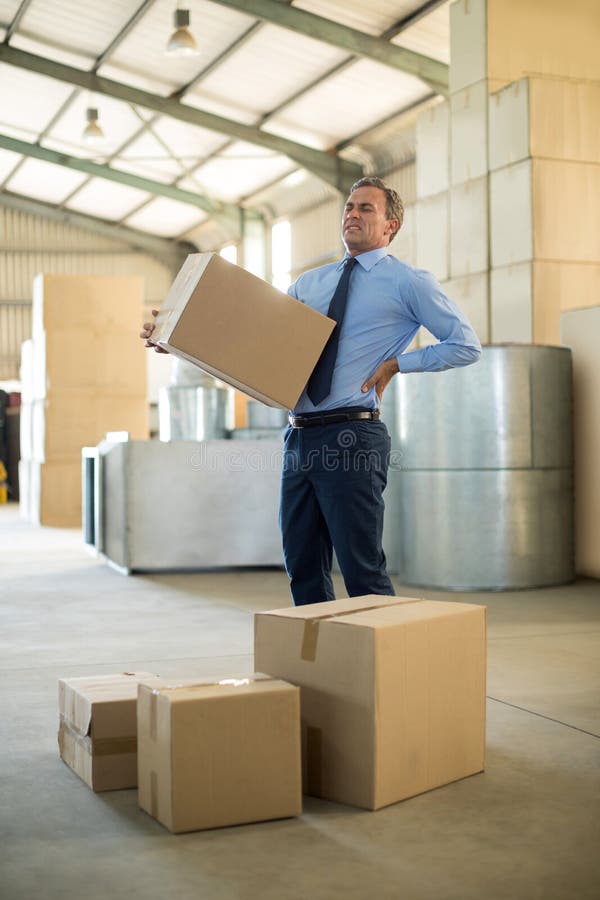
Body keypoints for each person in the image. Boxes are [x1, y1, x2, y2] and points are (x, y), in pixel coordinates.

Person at [140, 176, 482, 607]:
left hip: (352, 435)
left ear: (391, 226)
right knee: (302, 563)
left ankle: (386, 668)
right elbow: (258, 346)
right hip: (299, 434)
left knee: (361, 568)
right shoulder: (308, 285)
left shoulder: (408, 283)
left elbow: (465, 345)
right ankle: (320, 660)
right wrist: (177, 334)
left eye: (366, 209)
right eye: (349, 207)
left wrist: (398, 363)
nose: (352, 215)